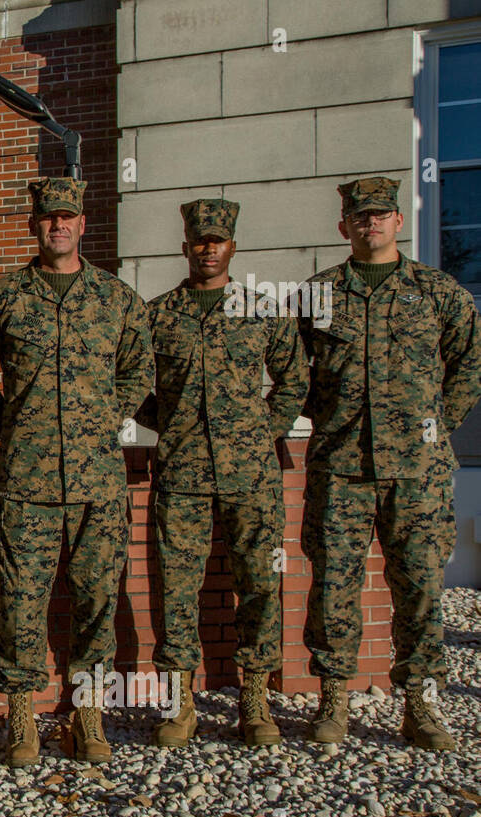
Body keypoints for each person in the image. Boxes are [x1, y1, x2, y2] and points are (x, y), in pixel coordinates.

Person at [0, 178, 153, 765]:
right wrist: (12, 422)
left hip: (98, 480)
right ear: (35, 224)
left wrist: (103, 416)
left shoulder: (116, 298)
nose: (58, 226)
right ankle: (21, 716)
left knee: (98, 594)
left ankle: (86, 713)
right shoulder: (3, 298)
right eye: (48, 217)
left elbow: (138, 372)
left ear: (83, 223)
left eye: (67, 217)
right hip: (26, 480)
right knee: (22, 597)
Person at [297, 176, 481, 750]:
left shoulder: (439, 292)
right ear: (343, 226)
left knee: (420, 585)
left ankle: (421, 708)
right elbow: (291, 372)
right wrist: (330, 421)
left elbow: (469, 366)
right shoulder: (315, 295)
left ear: (398, 222)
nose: (370, 223)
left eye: (381, 214)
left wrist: (431, 427)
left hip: (417, 473)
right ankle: (334, 700)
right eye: (360, 216)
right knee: (333, 585)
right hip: (341, 467)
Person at [139, 199, 306, 747]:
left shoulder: (263, 312)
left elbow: (293, 382)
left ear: (233, 247)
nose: (209, 250)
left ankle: (254, 703)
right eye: (199, 242)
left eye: (218, 241)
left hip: (250, 476)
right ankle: (180, 703)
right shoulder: (157, 315)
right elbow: (137, 386)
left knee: (258, 583)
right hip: (182, 474)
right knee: (176, 586)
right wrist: (173, 429)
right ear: (185, 248)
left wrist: (262, 431)